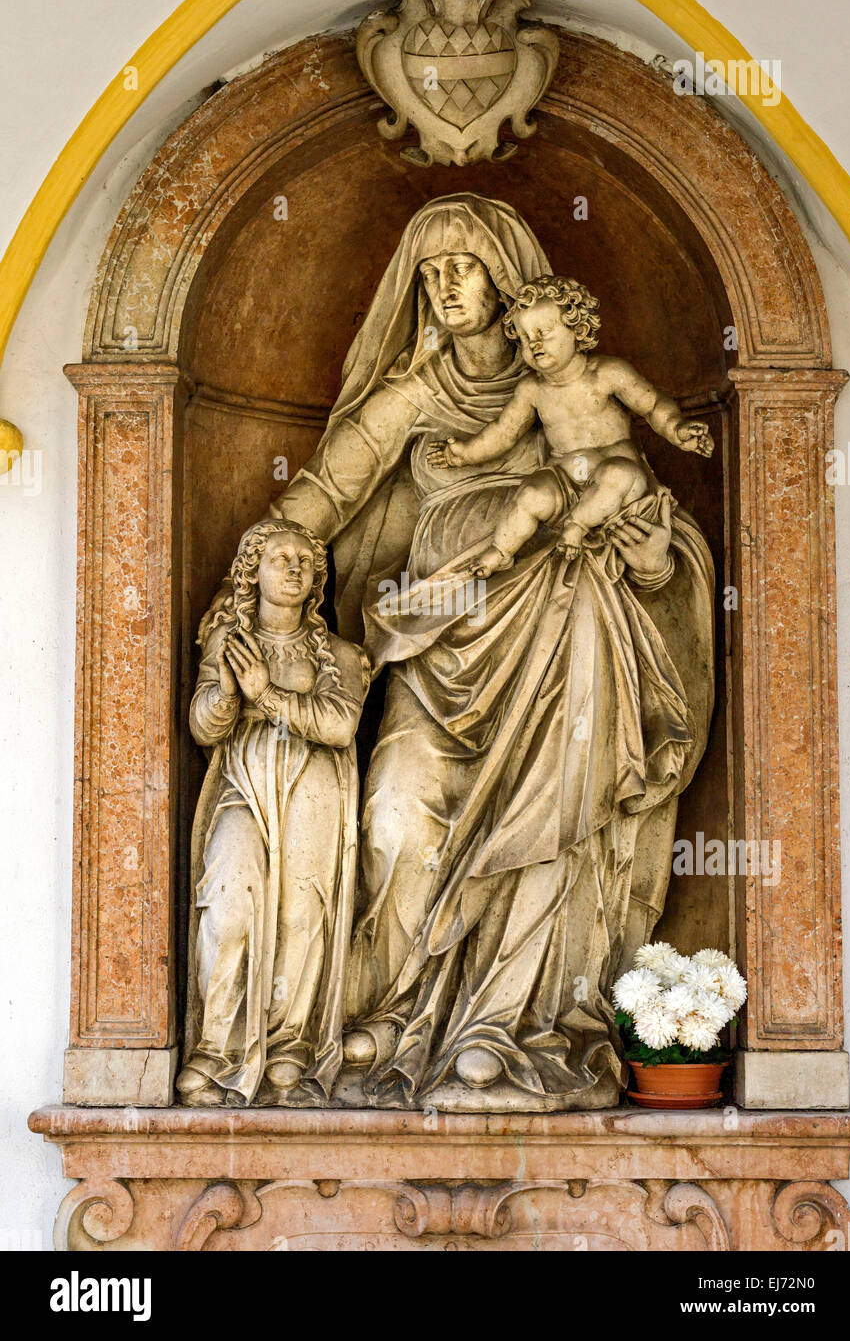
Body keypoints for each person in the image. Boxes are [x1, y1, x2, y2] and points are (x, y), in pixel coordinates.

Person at [268, 193, 715, 1106]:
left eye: (462, 266)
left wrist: (655, 558)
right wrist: (256, 572)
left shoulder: (581, 388)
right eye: (428, 270)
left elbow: (654, 544)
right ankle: (399, 1014)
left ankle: (515, 1024)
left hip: (558, 644)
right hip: (438, 646)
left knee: (555, 823)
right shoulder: (419, 395)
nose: (442, 285)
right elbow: (322, 491)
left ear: (509, 285)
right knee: (395, 821)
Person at [177, 519, 368, 1107]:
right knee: (229, 902)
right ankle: (216, 1048)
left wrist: (265, 695)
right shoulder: (227, 645)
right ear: (250, 572)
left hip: (312, 788)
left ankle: (290, 1045)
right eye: (279, 558)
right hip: (243, 784)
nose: (292, 568)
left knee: (300, 914)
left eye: (305, 563)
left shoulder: (339, 654)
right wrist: (231, 694)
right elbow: (202, 726)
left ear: (315, 583)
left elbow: (340, 725)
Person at [429, 275, 714, 576]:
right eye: (525, 338)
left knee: (616, 473)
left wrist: (677, 429)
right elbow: (504, 432)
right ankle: (501, 552)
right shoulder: (532, 389)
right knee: (530, 495)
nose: (534, 344)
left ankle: (576, 527)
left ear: (577, 328)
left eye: (544, 332)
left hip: (621, 484)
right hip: (565, 481)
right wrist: (464, 453)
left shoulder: (607, 373)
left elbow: (653, 405)